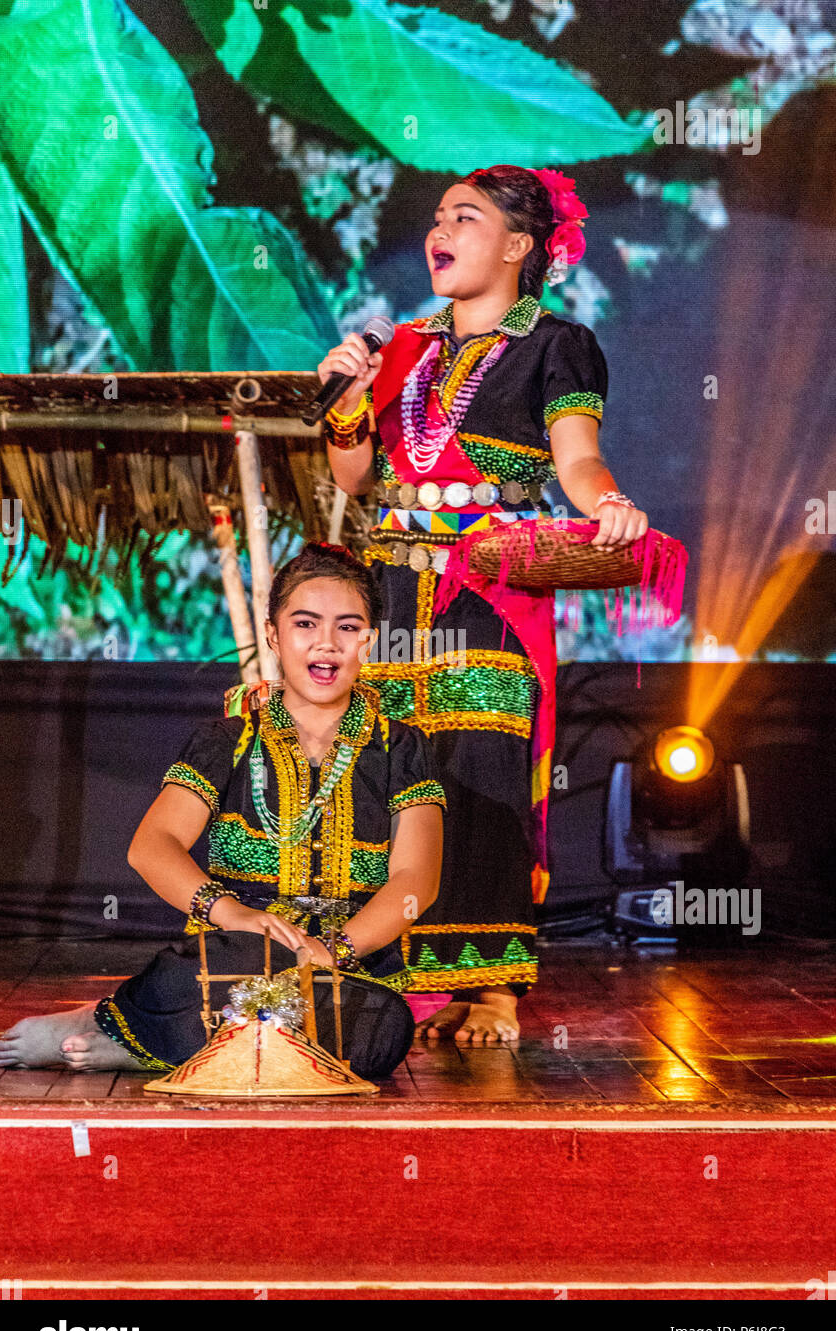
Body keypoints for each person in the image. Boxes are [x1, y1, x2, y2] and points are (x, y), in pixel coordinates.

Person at [318, 164, 649, 1044]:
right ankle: (378, 965)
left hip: (487, 593)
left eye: (464, 217)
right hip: (387, 592)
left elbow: (576, 458)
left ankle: (489, 988)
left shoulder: (558, 343)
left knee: (480, 782)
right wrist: (349, 402)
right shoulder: (401, 349)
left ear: (516, 246)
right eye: (436, 217)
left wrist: (606, 503)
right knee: (386, 780)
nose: (440, 229)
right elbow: (351, 476)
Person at [0, 543, 445, 1080]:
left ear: (369, 639)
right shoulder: (225, 739)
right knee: (214, 975)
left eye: (348, 627)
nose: (326, 643)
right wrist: (238, 917)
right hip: (236, 954)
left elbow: (418, 879)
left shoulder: (402, 748)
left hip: (346, 971)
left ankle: (141, 1038)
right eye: (306, 624)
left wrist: (331, 951)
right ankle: (126, 1025)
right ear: (274, 634)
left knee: (381, 1035)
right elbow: (152, 846)